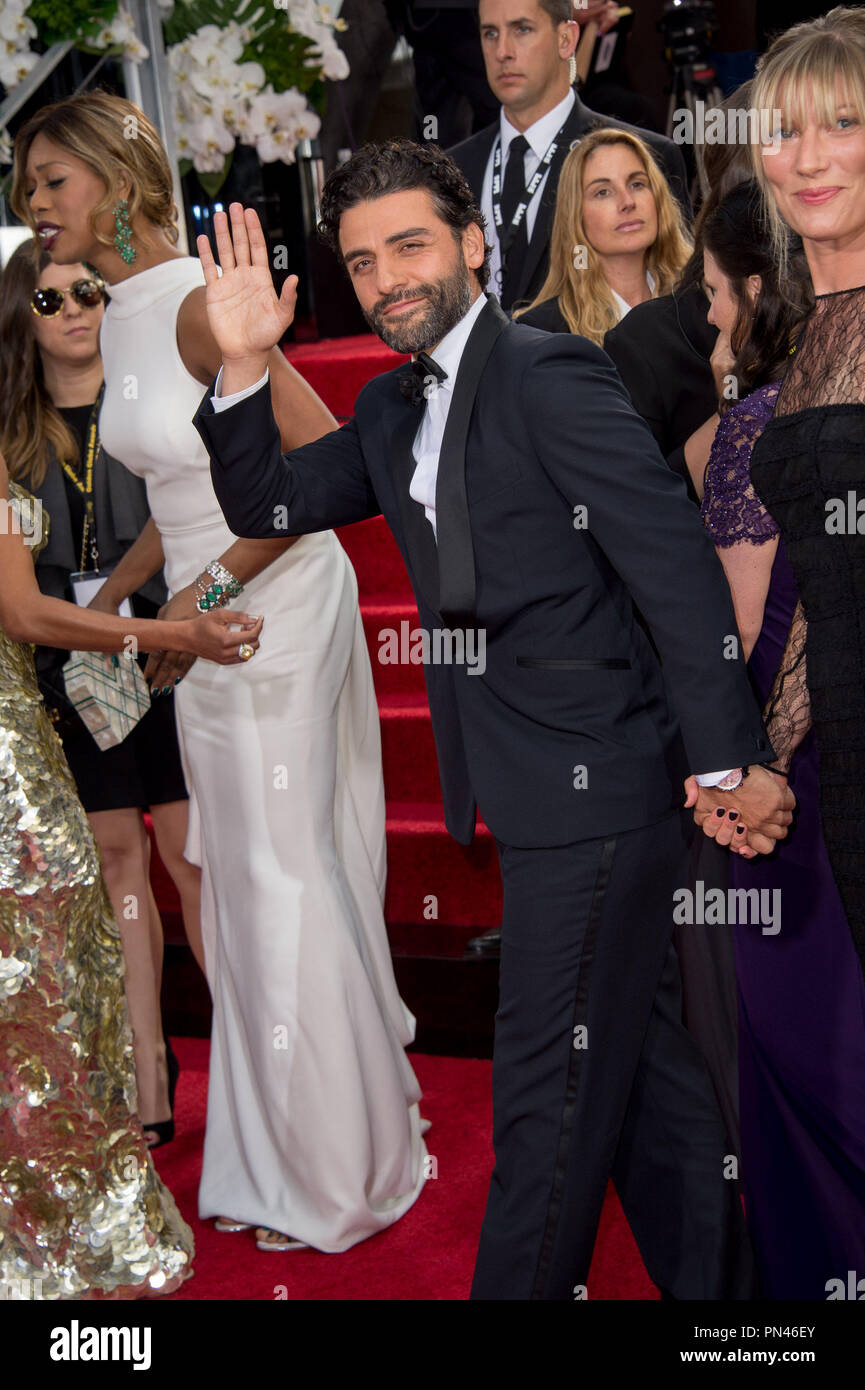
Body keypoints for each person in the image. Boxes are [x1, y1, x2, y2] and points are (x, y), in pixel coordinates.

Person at [191, 137, 795, 1300]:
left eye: (410, 245)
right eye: (362, 264)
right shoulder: (383, 406)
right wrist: (240, 368)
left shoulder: (546, 371)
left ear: (474, 243)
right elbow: (268, 498)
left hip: (600, 785)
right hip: (526, 788)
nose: (387, 280)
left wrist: (726, 755)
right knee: (645, 1080)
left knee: (543, 1096)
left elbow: (669, 560)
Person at [12, 91, 428, 1255]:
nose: (31, 203)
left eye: (52, 180)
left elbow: (311, 482)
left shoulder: (197, 304)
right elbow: (182, 494)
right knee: (236, 878)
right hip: (207, 621)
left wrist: (195, 604)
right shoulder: (123, 308)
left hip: (272, 609)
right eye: (25, 184)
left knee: (280, 875)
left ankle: (344, 1173)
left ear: (115, 177)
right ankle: (275, 1155)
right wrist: (126, 601)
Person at [0, 456, 260, 1299]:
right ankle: (62, 1226)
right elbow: (24, 610)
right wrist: (171, 634)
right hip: (13, 760)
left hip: (26, 729)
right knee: (48, 972)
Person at [699, 176, 865, 1300]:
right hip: (792, 762)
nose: (708, 316)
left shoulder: (750, 423)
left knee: (819, 1058)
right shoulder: (771, 402)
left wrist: (734, 764)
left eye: (711, 294)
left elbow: (757, 623)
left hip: (792, 770)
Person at [0, 239, 202, 1151]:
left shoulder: (148, 400)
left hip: (170, 648)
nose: (75, 310)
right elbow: (24, 600)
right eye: (50, 302)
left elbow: (206, 514)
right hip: (68, 665)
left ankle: (250, 1075)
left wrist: (145, 609)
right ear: (21, 320)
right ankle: (148, 1076)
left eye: (86, 292)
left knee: (195, 858)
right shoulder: (9, 434)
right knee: (120, 860)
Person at [749, 6, 865, 973]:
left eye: (842, 123)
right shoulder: (813, 334)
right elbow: (822, 584)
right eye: (783, 131)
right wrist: (770, 752)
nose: (810, 158)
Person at [448, 0, 688, 311]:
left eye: (522, 29)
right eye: (490, 33)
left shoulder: (646, 157)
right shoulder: (452, 170)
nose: (502, 51)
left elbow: (677, 291)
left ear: (567, 40)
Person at [514, 127, 692, 340]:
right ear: (576, 216)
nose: (627, 202)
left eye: (637, 184)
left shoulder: (698, 301)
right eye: (602, 192)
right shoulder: (544, 331)